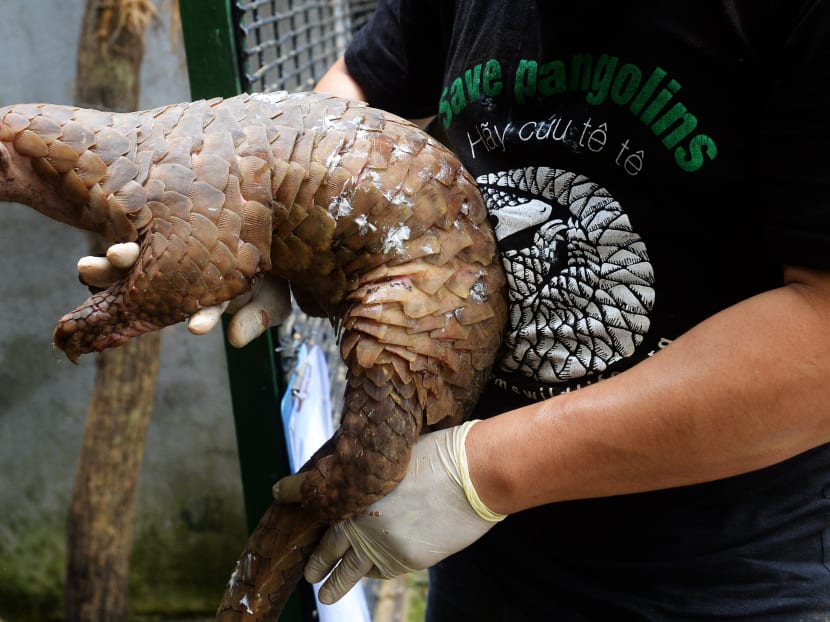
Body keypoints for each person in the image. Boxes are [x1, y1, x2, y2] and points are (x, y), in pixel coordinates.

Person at [83, 2, 830, 619]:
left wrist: (481, 473)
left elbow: (820, 337)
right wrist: (272, 218)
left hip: (725, 578)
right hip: (483, 558)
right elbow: (358, 87)